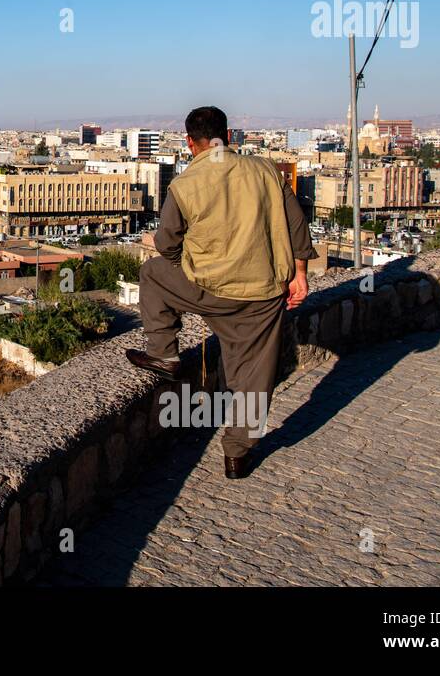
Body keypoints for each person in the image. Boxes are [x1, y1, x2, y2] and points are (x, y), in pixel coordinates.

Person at [126, 106, 316, 478]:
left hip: (206, 290)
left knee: (152, 273)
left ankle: (164, 353)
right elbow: (297, 227)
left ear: (189, 142)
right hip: (260, 297)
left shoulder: (183, 186)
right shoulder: (265, 171)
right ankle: (237, 454)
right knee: (256, 377)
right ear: (228, 137)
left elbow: (166, 247)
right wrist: (301, 273)